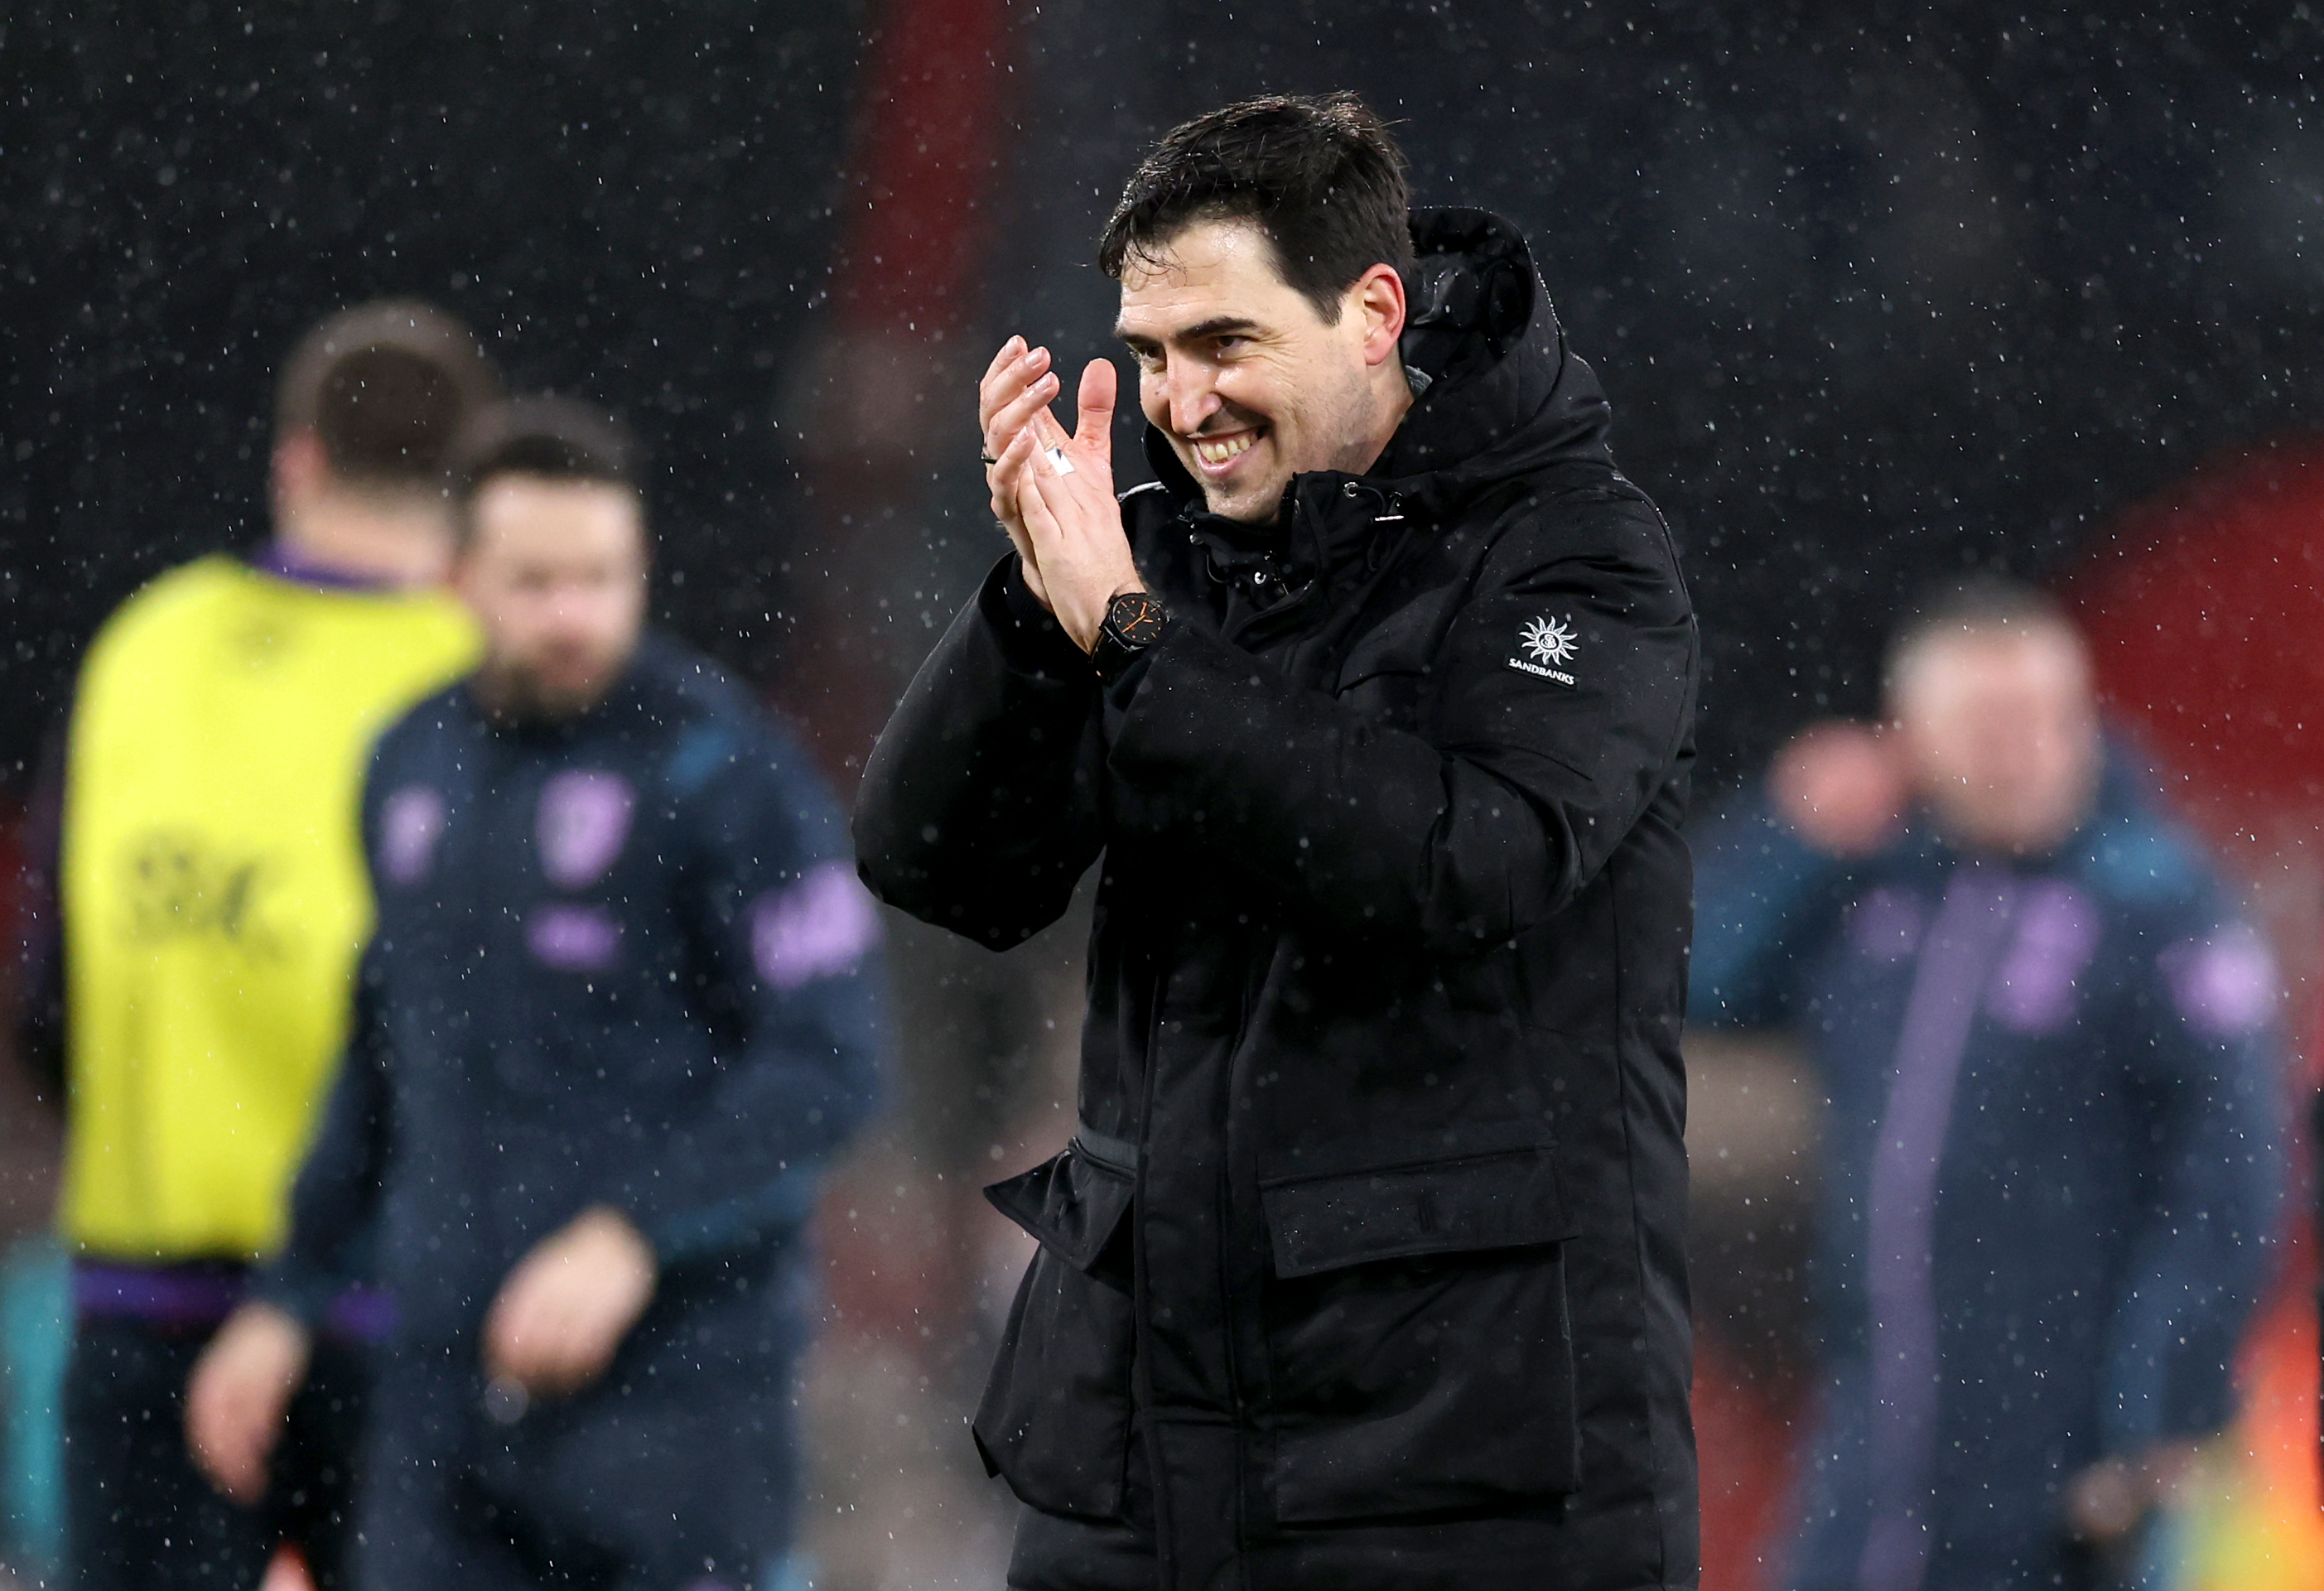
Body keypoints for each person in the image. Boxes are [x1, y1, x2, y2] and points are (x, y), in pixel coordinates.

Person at [855, 92, 1700, 1590]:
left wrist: (1128, 638)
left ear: (1371, 312)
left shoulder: (1577, 556)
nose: (1183, 402)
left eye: (1226, 344)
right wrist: (1030, 603)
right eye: (1151, 356)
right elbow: (939, 866)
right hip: (1139, 1439)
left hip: (1456, 1464)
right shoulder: (1166, 544)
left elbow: (1467, 860)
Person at [184, 398, 885, 1589]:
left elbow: (831, 1064)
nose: (575, 615)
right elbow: (378, 1059)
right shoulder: (406, 762)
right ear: (455, 578)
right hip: (440, 1405)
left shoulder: (727, 769)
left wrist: (630, 1237)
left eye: (603, 577)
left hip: (680, 1404)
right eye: (537, 581)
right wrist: (287, 1296)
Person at [18, 300, 498, 1589]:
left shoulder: (144, 650)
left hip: (150, 1296)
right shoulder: (490, 679)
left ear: (296, 458)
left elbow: (52, 999)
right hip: (407, 1311)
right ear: (468, 489)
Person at [1688, 579, 2285, 1591]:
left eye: (2045, 716)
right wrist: (1781, 837)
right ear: (1907, 739)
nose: (2018, 748)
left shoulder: (2156, 903)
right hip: (1879, 1429)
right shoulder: (1873, 890)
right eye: (1980, 721)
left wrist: (2159, 1407)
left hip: (2072, 1445)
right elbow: (1697, 981)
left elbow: (2233, 1173)